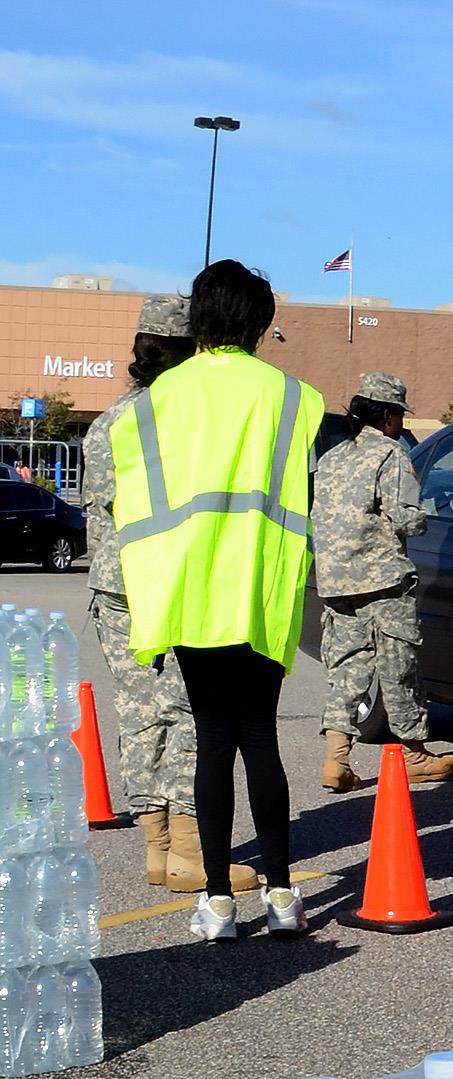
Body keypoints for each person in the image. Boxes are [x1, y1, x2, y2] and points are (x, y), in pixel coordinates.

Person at [109, 258, 323, 939]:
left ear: (199, 319)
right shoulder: (293, 397)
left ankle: (218, 904)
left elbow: (133, 499)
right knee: (261, 738)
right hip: (261, 588)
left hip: (192, 591)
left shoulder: (161, 400)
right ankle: (285, 897)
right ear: (260, 324)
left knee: (212, 742)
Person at [79, 295, 212, 894]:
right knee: (184, 710)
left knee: (138, 717)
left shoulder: (105, 423)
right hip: (171, 582)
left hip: (113, 588)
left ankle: (156, 848)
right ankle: (189, 851)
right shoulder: (186, 420)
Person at [311, 370, 453, 793]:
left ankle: (337, 758)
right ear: (389, 416)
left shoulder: (331, 458)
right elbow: (407, 519)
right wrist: (428, 512)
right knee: (399, 667)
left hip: (336, 582)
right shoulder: (390, 455)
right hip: (383, 580)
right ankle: (414, 755)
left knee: (346, 667)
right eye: (399, 415)